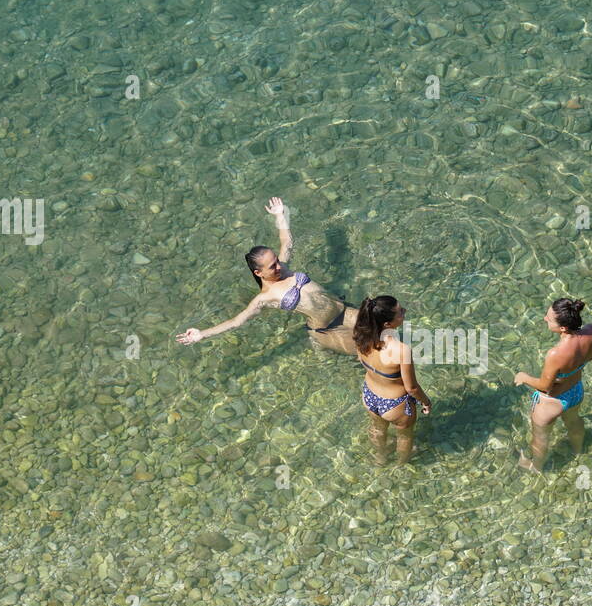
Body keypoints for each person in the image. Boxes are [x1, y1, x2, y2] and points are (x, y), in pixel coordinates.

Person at [175, 197, 358, 354]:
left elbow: (286, 241)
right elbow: (236, 322)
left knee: (386, 327)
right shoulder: (264, 298)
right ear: (258, 272)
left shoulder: (283, 267)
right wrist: (202, 334)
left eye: (277, 261)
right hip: (326, 329)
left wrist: (280, 215)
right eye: (273, 266)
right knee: (372, 353)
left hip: (343, 310)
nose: (279, 266)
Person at [514, 298, 592, 471]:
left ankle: (535, 467)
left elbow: (545, 386)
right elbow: (591, 357)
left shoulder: (555, 353)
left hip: (551, 402)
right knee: (574, 422)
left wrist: (524, 377)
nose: (545, 319)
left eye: (548, 318)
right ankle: (578, 452)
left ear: (562, 328)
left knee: (540, 438)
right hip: (576, 391)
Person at [352, 295, 431, 464]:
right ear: (387, 324)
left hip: (369, 396)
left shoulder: (360, 337)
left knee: (378, 428)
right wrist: (426, 402)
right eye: (400, 312)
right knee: (404, 436)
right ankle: (401, 465)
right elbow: (412, 388)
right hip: (395, 404)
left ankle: (380, 457)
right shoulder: (402, 350)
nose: (404, 312)